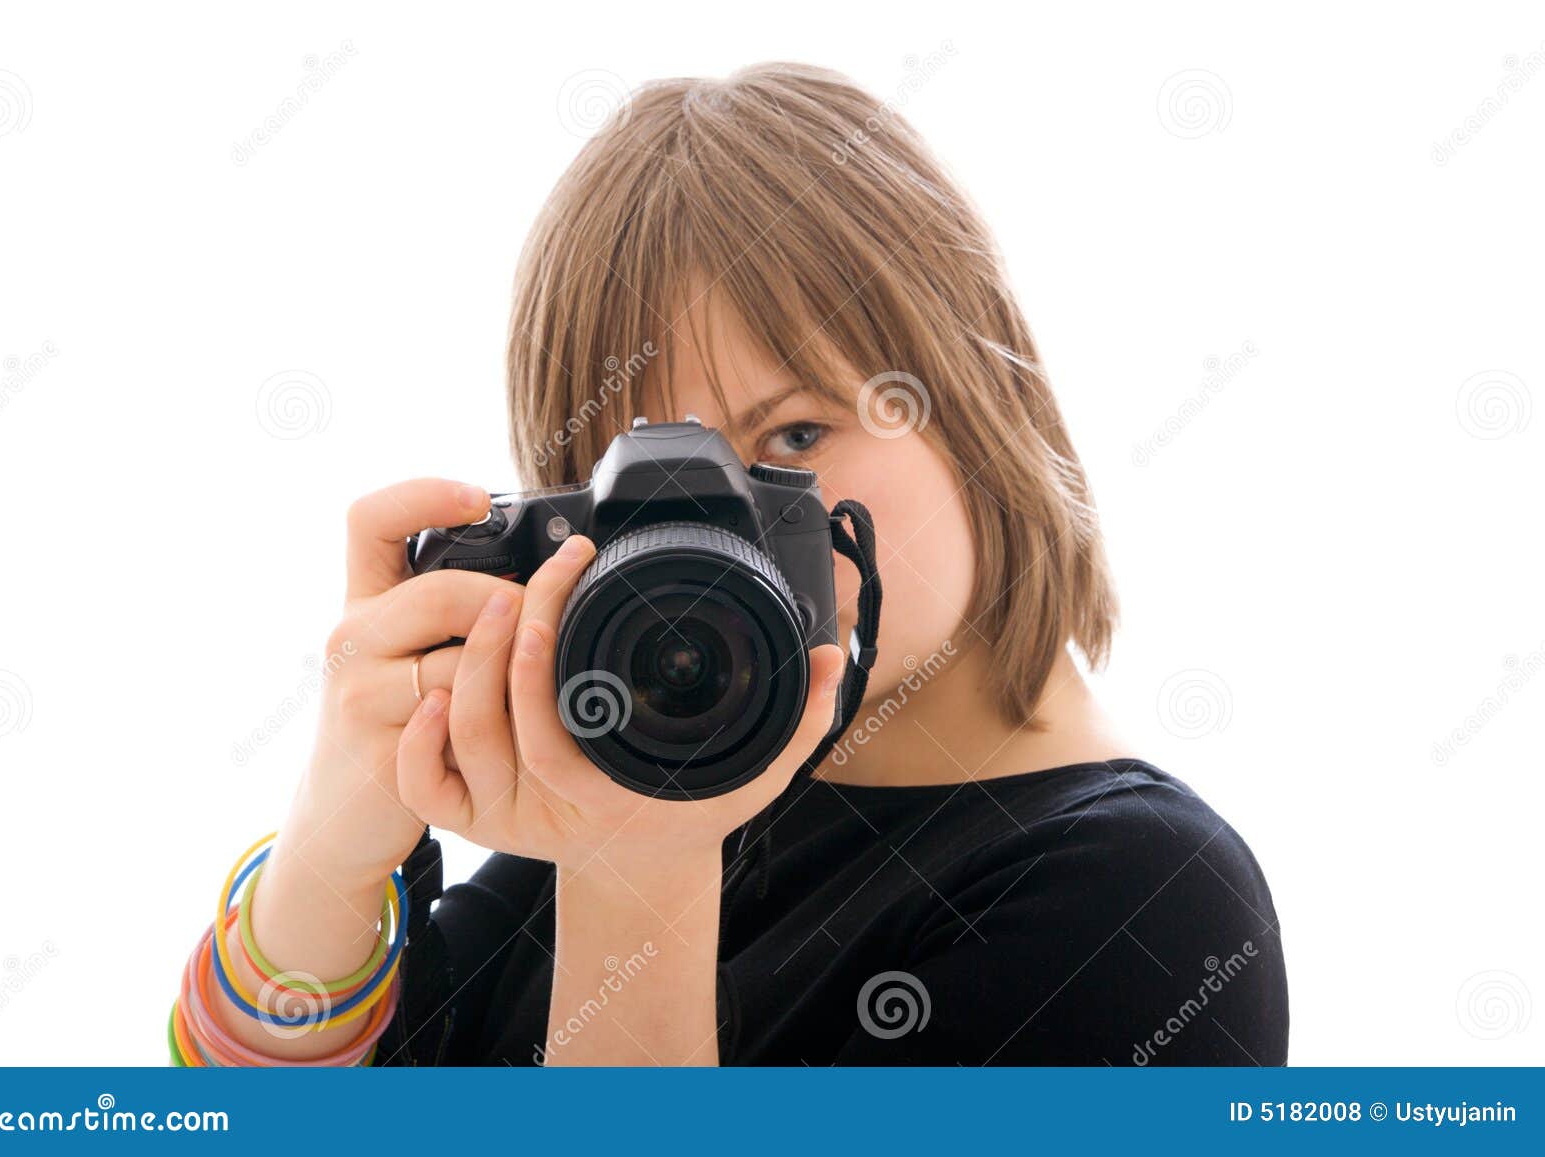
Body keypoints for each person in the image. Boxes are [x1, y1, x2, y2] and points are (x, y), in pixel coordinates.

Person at [171, 62, 1288, 1068]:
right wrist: (332, 849)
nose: (711, 546)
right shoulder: (607, 818)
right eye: (641, 495)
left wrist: (639, 873)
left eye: (794, 437)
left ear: (976, 396)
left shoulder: (1141, 896)